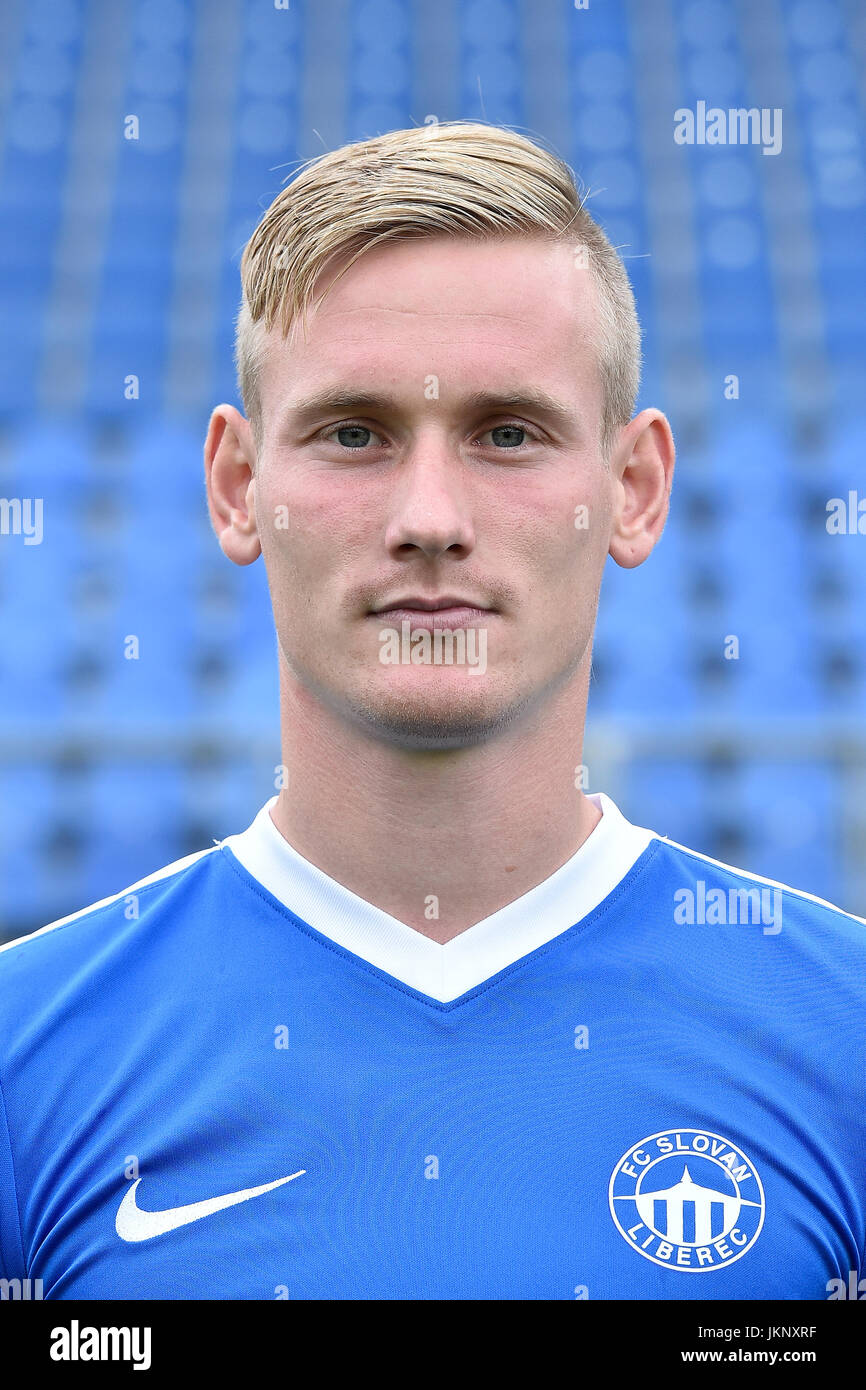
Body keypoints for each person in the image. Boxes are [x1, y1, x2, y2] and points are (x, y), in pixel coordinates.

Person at [0, 123, 863, 1301]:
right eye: (353, 433)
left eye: (507, 433)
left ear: (633, 489)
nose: (428, 515)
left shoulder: (840, 1032)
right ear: (238, 487)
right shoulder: (28, 1051)